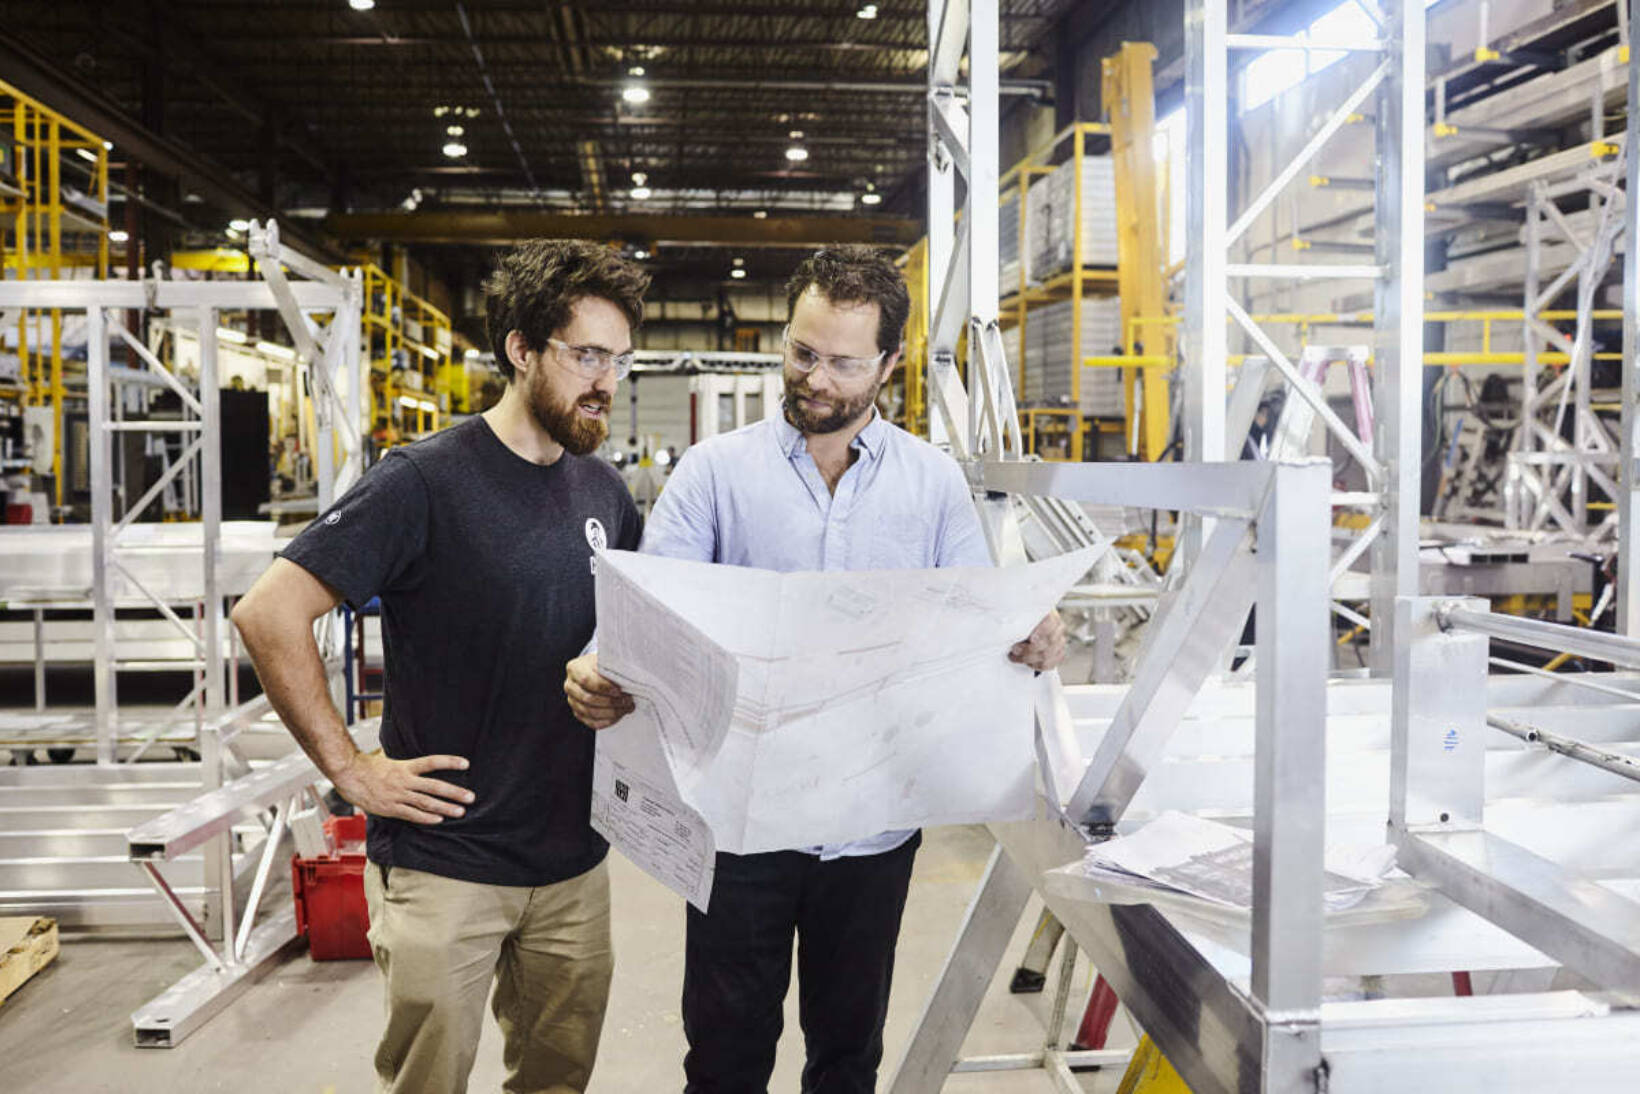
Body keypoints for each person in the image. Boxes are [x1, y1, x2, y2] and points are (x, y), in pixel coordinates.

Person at [564, 244, 1065, 1094]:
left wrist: (1030, 630)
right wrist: (598, 667)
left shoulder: (933, 485)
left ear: (890, 365)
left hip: (873, 825)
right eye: (801, 353)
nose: (816, 380)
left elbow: (979, 621)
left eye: (842, 362)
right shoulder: (714, 475)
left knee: (847, 1055)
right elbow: (653, 616)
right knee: (724, 1057)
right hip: (738, 823)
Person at [232, 239, 649, 1094]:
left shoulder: (604, 492)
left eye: (620, 359)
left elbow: (630, 643)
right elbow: (269, 613)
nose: (607, 381)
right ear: (522, 350)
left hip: (573, 862)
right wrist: (350, 768)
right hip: (445, 862)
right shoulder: (423, 481)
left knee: (557, 1082)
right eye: (587, 355)